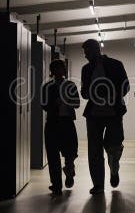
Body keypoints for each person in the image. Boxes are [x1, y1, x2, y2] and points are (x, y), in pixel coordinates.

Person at [80, 39, 129, 195]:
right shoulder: (86, 69)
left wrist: (115, 94)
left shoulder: (116, 64)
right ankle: (98, 185)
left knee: (114, 145)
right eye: (85, 53)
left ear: (95, 50)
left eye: (87, 52)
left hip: (113, 111)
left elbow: (126, 85)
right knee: (94, 150)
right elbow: (84, 92)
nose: (85, 56)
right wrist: (89, 92)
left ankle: (114, 167)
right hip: (94, 113)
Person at [41, 59, 80, 195]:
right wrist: (54, 104)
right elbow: (43, 105)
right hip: (52, 123)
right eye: (56, 69)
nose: (59, 71)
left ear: (64, 70)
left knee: (70, 153)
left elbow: (77, 103)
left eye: (61, 68)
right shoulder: (47, 87)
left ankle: (69, 172)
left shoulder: (70, 85)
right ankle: (56, 184)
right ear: (52, 71)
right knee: (52, 156)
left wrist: (68, 102)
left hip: (67, 122)